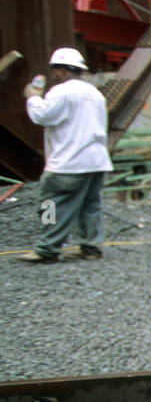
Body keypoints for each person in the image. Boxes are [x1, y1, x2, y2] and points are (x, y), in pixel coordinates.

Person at [18, 48, 113, 263]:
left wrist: (33, 98)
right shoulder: (95, 94)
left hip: (69, 162)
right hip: (96, 162)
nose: (53, 75)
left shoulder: (61, 92)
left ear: (61, 70)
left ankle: (46, 249)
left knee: (49, 204)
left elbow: (42, 116)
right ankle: (91, 247)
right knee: (90, 205)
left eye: (54, 71)